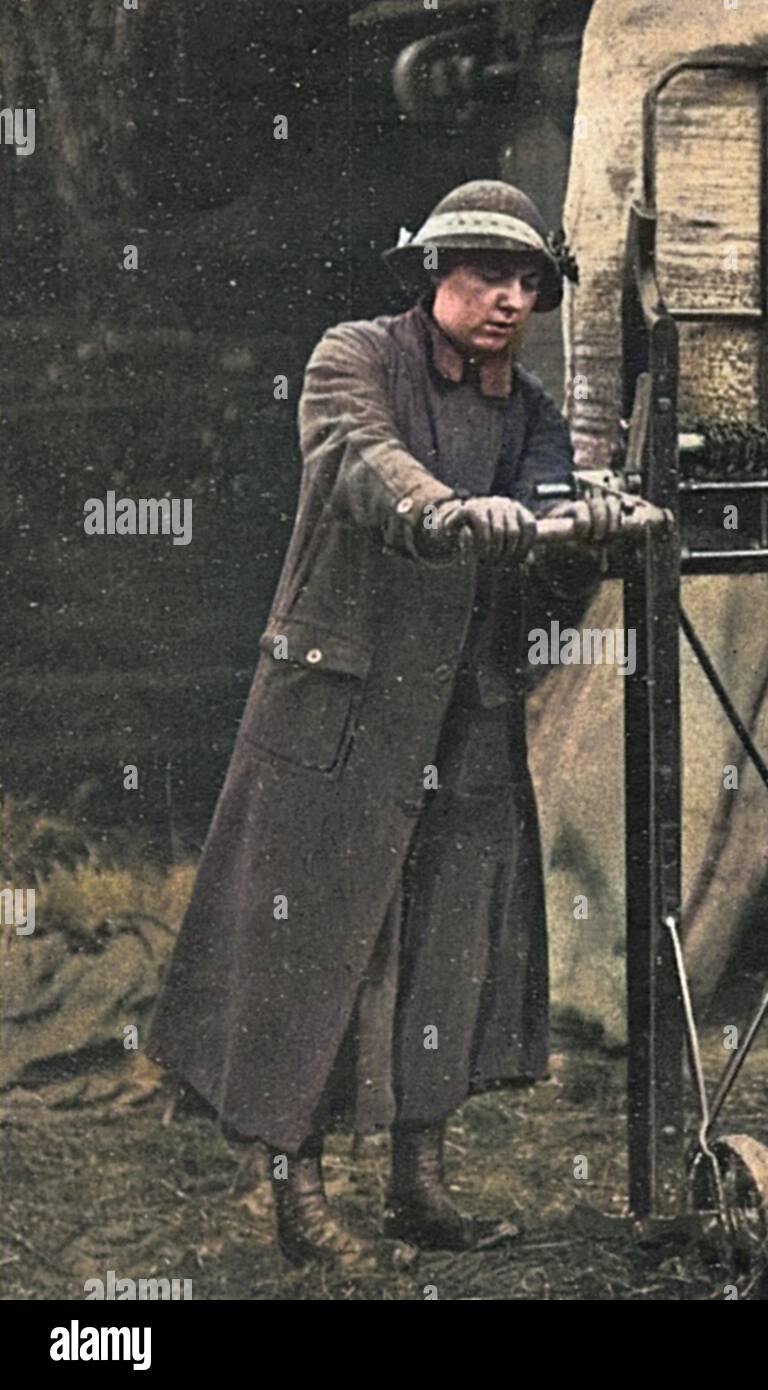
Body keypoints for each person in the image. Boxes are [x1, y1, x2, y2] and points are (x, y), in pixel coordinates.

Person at [148, 179, 668, 1272]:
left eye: (529, 283)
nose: (509, 301)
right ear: (434, 273)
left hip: (465, 715)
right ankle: (299, 1191)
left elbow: (543, 560)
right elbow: (358, 461)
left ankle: (419, 1180)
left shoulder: (526, 410)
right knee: (316, 944)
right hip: (338, 708)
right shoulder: (353, 360)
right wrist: (441, 507)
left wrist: (589, 530)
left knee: (452, 945)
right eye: (485, 275)